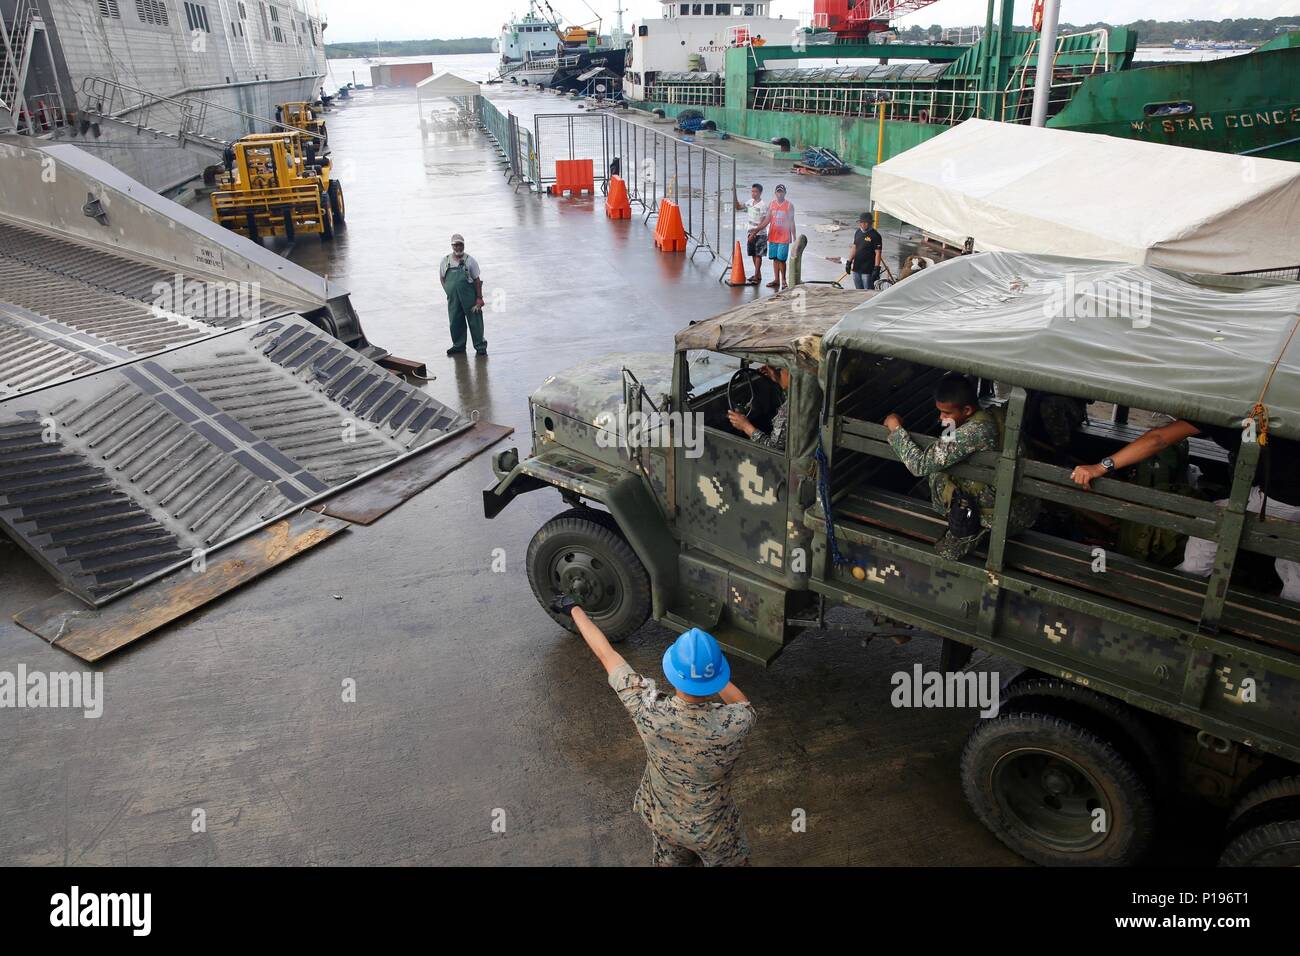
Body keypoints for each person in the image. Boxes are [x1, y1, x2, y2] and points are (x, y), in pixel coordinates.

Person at [551, 595, 756, 866]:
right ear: (717, 676)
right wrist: (711, 676)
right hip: (715, 831)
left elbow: (606, 653)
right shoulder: (737, 723)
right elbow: (742, 703)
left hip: (663, 821)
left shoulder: (646, 708)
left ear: (672, 671)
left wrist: (573, 609)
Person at [1071, 420, 1300, 602]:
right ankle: (1291, 609)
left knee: (1214, 519)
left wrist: (1102, 466)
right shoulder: (1251, 400)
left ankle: (1185, 584)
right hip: (1286, 491)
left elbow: (1158, 438)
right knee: (1290, 556)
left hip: (1287, 494)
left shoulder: (1225, 409)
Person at [884, 372, 1039, 560]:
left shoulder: (973, 431)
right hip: (1013, 499)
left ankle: (970, 529)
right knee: (940, 469)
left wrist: (895, 429)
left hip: (998, 513)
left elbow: (920, 465)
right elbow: (946, 444)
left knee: (946, 552)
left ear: (966, 410)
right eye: (940, 411)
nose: (941, 418)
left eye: (947, 413)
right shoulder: (978, 418)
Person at [439, 233, 486, 356]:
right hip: (453, 298)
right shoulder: (445, 261)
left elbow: (477, 280)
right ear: (452, 246)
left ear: (463, 245)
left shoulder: (470, 261)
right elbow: (442, 278)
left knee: (475, 322)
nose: (458, 247)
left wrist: (479, 298)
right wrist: (448, 291)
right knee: (455, 322)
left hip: (469, 297)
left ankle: (480, 347)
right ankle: (458, 346)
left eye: (460, 245)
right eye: (456, 245)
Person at [726, 364, 788, 450]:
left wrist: (745, 426)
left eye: (781, 370)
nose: (780, 372)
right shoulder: (802, 397)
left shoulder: (787, 411)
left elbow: (774, 450)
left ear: (792, 377)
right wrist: (778, 379)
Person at [753, 183, 796, 292]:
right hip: (773, 235)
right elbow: (767, 220)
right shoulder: (771, 205)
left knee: (782, 259)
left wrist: (794, 238)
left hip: (784, 236)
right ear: (775, 193)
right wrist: (756, 230)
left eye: (781, 191)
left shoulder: (789, 205)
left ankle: (784, 281)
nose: (780, 193)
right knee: (775, 259)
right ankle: (776, 280)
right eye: (778, 191)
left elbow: (792, 222)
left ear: (785, 193)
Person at [740, 183, 769, 286]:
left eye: (755, 191)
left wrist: (754, 234)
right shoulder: (750, 202)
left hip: (760, 233)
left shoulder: (763, 205)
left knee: (758, 255)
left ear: (760, 193)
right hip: (750, 231)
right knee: (753, 254)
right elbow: (738, 207)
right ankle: (758, 274)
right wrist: (734, 195)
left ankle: (756, 276)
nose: (753, 193)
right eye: (752, 191)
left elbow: (762, 223)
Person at [848, 212, 882, 290]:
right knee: (858, 291)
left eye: (865, 222)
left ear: (870, 223)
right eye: (861, 222)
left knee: (867, 291)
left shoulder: (875, 235)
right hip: (856, 268)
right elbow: (854, 247)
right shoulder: (858, 232)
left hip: (867, 270)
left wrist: (877, 268)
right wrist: (849, 262)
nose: (863, 224)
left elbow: (878, 253)